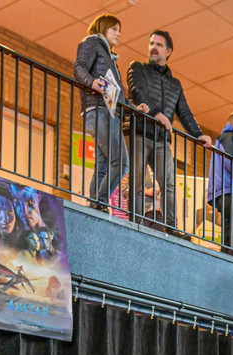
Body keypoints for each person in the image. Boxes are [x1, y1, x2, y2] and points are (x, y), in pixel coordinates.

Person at [127, 29, 213, 228]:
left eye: (159, 45)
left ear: (168, 52)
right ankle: (135, 224)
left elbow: (185, 112)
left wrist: (199, 134)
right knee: (137, 182)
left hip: (161, 140)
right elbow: (137, 91)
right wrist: (157, 113)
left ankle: (171, 227)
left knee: (169, 184)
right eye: (151, 43)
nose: (153, 48)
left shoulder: (175, 84)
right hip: (139, 132)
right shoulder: (137, 68)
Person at [74, 15, 129, 212]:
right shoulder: (92, 43)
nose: (118, 34)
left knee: (103, 166)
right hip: (99, 111)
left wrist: (132, 106)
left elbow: (117, 92)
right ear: (103, 27)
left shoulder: (109, 56)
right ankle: (100, 202)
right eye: (114, 29)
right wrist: (92, 82)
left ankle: (95, 205)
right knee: (121, 162)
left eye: (119, 30)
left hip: (106, 112)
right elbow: (79, 67)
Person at [208, 111, 233, 253]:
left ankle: (228, 257)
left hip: (225, 190)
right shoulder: (230, 137)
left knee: (231, 228)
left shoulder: (225, 138)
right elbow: (232, 162)